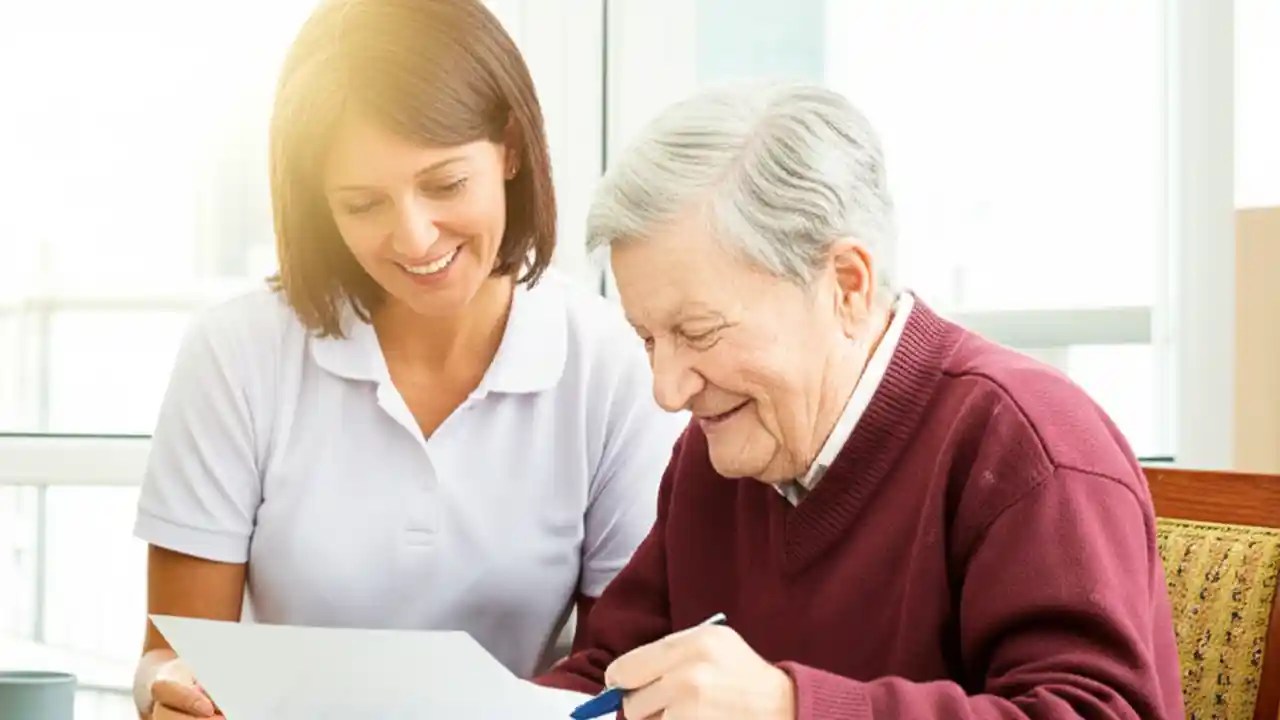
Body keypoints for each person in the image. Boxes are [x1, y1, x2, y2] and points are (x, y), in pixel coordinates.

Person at [536, 82, 1185, 719]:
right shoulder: (717, 452)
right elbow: (614, 677)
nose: (667, 390)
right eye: (648, 339)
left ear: (848, 285)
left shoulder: (1027, 444)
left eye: (698, 332)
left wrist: (790, 709)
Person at [130, 1, 686, 717]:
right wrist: (164, 693)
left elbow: (626, 668)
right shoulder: (236, 354)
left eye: (445, 185)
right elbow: (173, 655)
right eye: (363, 204)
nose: (414, 238)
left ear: (510, 149)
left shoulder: (608, 364)